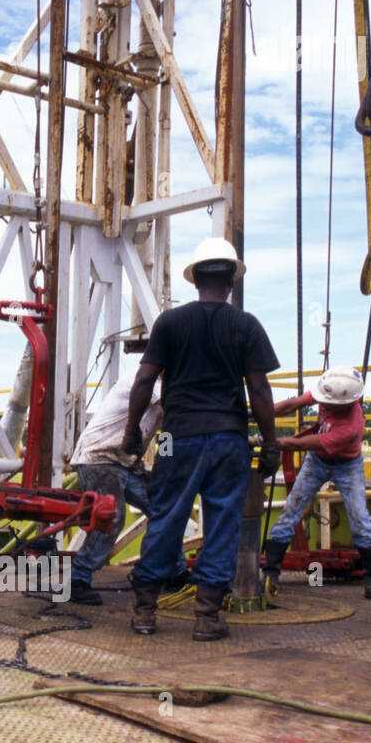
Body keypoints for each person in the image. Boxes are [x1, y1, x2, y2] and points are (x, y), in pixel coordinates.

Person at [121, 237, 281, 640]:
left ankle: (144, 611)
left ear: (195, 282)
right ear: (230, 281)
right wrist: (271, 441)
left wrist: (131, 433)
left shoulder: (170, 323)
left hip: (178, 439)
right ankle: (206, 617)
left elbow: (144, 379)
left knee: (166, 515)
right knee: (223, 523)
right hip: (229, 439)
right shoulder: (246, 325)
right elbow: (260, 392)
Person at [67, 372, 189, 604]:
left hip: (126, 463)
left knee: (165, 509)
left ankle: (176, 573)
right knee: (111, 517)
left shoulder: (167, 390)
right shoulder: (148, 381)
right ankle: (77, 580)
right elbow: (175, 410)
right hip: (98, 458)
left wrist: (165, 465)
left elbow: (168, 428)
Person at [263, 366, 371, 598]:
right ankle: (270, 573)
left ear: (347, 403)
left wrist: (272, 442)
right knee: (291, 510)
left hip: (347, 466)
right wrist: (260, 413)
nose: (324, 406)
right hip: (317, 461)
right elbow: (292, 405)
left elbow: (302, 444)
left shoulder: (350, 427)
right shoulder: (327, 394)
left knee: (360, 518)